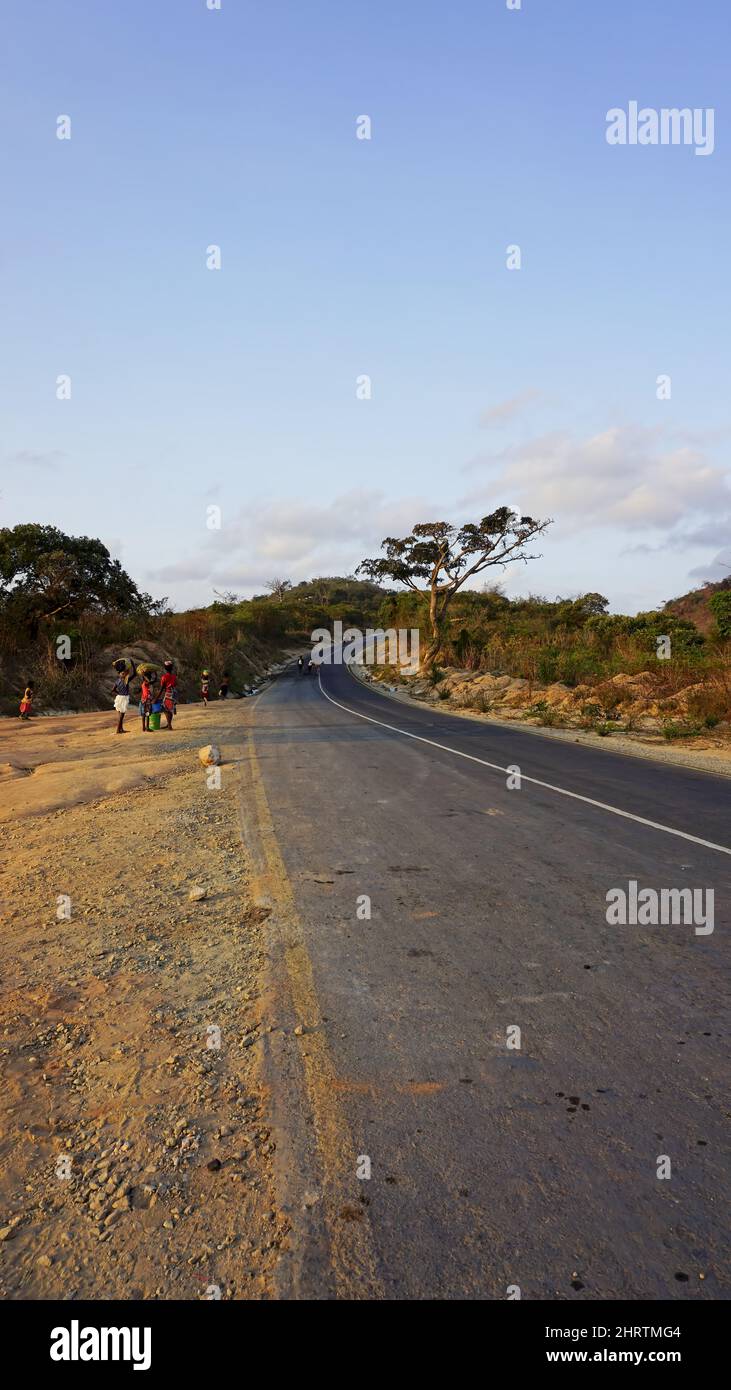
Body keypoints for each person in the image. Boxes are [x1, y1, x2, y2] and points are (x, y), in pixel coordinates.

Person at [111, 665, 133, 734]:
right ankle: (118, 730)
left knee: (120, 716)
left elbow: (113, 690)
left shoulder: (117, 681)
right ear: (119, 674)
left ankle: (121, 729)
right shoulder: (126, 681)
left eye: (124, 673)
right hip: (123, 698)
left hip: (119, 697)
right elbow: (134, 674)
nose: (124, 674)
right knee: (121, 716)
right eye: (122, 673)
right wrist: (132, 665)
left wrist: (119, 693)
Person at [158, 660, 178, 729]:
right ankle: (169, 724)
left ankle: (169, 725)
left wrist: (156, 698)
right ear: (171, 668)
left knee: (165, 708)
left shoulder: (164, 677)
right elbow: (175, 684)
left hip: (169, 693)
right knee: (170, 709)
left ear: (165, 668)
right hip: (174, 693)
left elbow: (162, 688)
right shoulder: (174, 676)